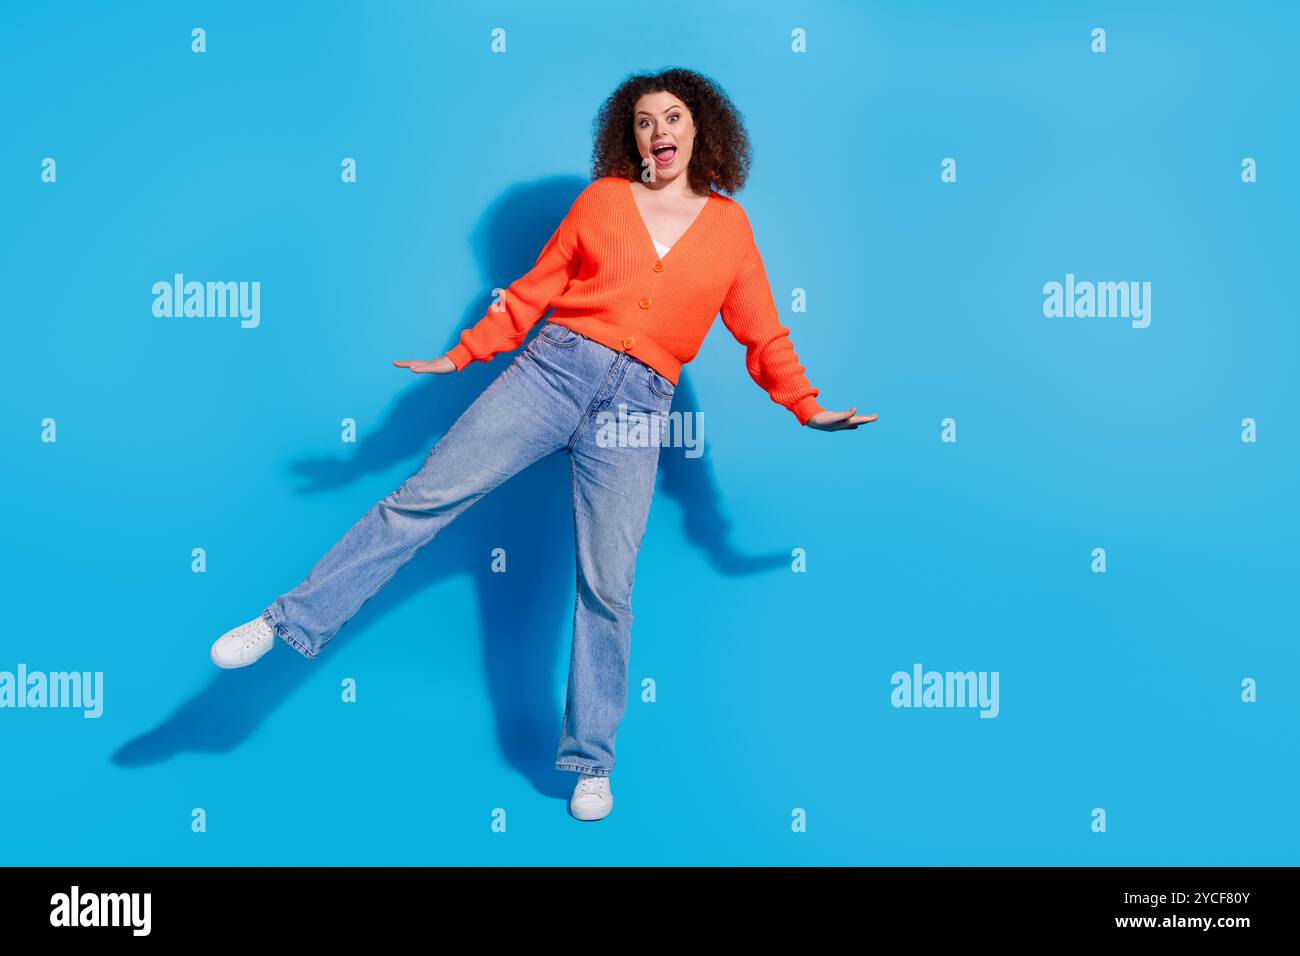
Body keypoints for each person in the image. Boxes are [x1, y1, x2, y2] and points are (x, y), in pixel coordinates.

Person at [209, 67, 877, 822]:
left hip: (638, 407)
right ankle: (285, 622)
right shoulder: (602, 201)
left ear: (701, 130)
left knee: (607, 586)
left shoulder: (729, 229)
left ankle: (591, 762)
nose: (658, 132)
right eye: (644, 122)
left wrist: (806, 407)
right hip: (554, 372)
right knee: (420, 503)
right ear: (631, 137)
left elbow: (761, 331)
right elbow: (535, 288)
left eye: (673, 118)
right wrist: (463, 354)